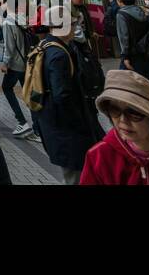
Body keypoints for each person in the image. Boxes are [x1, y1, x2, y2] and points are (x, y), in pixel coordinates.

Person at [32, 15, 104, 184]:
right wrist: (79, 122)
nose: (74, 28)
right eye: (72, 24)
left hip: (53, 124)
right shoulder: (58, 55)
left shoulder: (45, 46)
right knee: (76, 176)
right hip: (66, 130)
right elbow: (62, 96)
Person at [0, 9, 36, 139]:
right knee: (28, 93)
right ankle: (37, 128)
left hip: (15, 64)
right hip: (26, 61)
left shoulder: (7, 22)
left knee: (6, 87)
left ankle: (22, 122)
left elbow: (9, 46)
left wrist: (5, 63)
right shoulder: (21, 18)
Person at [115, 0, 149, 79]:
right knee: (144, 80)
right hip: (145, 51)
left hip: (132, 54)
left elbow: (124, 38)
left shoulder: (121, 14)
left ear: (119, 0)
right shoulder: (141, 10)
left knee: (128, 83)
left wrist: (125, 57)